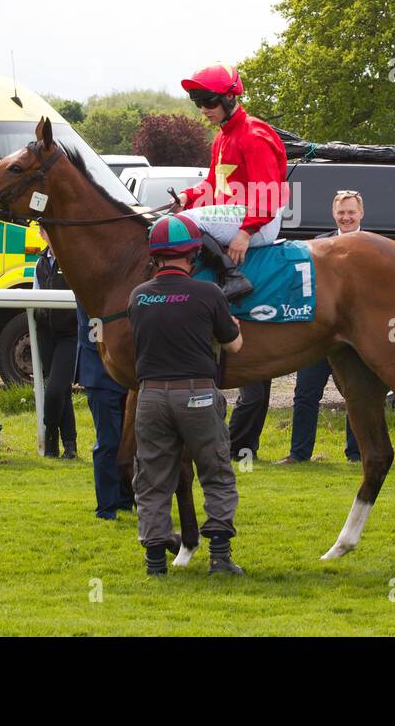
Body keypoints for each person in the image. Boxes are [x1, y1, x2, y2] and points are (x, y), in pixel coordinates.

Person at [128, 213, 245, 577]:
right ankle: (220, 558)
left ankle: (155, 564)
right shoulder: (209, 293)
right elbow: (235, 345)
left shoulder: (138, 296)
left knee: (152, 478)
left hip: (150, 399)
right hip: (197, 396)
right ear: (194, 253)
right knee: (216, 472)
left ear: (155, 255)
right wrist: (232, 327)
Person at [178, 63, 288, 301]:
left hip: (260, 221)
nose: (204, 110)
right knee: (177, 217)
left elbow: (267, 194)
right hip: (237, 214)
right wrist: (187, 195)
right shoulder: (221, 137)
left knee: (184, 222)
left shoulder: (254, 135)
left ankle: (232, 277)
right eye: (198, 104)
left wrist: (245, 233)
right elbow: (211, 184)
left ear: (229, 98)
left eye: (209, 101)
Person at [277, 190, 365, 465]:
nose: (346, 217)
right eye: (342, 212)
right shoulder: (317, 244)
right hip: (319, 334)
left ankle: (357, 453)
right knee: (305, 393)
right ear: (334, 214)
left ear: (361, 214)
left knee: (357, 393)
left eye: (351, 212)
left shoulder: (371, 247)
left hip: (355, 335)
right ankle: (299, 454)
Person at [76, 306, 134, 519]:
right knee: (109, 441)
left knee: (131, 441)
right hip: (100, 372)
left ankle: (126, 500)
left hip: (128, 372)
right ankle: (107, 507)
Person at [34, 233, 77, 458]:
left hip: (70, 333)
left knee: (55, 390)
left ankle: (50, 439)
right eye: (45, 229)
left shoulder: (73, 256)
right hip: (46, 332)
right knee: (62, 392)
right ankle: (70, 445)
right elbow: (35, 295)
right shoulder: (40, 262)